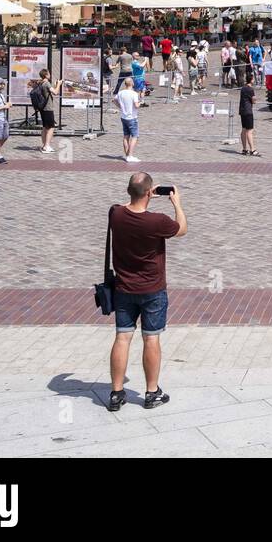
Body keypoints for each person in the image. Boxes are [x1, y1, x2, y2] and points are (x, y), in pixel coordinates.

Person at [106, 173, 187, 412]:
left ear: (129, 191)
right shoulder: (157, 222)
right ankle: (152, 392)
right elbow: (181, 229)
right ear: (151, 192)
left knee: (122, 337)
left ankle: (116, 392)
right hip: (152, 289)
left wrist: (141, 192)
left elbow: (124, 205)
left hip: (123, 288)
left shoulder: (116, 214)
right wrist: (177, 203)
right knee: (151, 338)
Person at [32, 68, 63, 153]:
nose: (50, 75)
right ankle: (47, 146)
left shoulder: (40, 82)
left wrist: (55, 85)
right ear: (46, 75)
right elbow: (55, 92)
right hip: (47, 108)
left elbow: (48, 91)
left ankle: (44, 145)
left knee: (45, 127)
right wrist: (59, 84)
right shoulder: (46, 83)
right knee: (51, 127)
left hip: (42, 107)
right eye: (49, 73)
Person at [113, 78, 142, 163]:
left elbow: (114, 100)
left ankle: (127, 155)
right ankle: (130, 155)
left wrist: (120, 107)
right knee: (135, 136)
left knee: (126, 136)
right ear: (132, 84)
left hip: (123, 117)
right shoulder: (134, 94)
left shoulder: (121, 92)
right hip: (132, 117)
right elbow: (136, 106)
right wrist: (140, 103)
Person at [239, 74, 260, 157]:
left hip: (242, 111)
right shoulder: (250, 89)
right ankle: (252, 150)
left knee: (243, 130)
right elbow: (254, 100)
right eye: (253, 79)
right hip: (248, 111)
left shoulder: (243, 88)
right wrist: (254, 100)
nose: (253, 80)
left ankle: (244, 149)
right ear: (251, 80)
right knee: (249, 131)